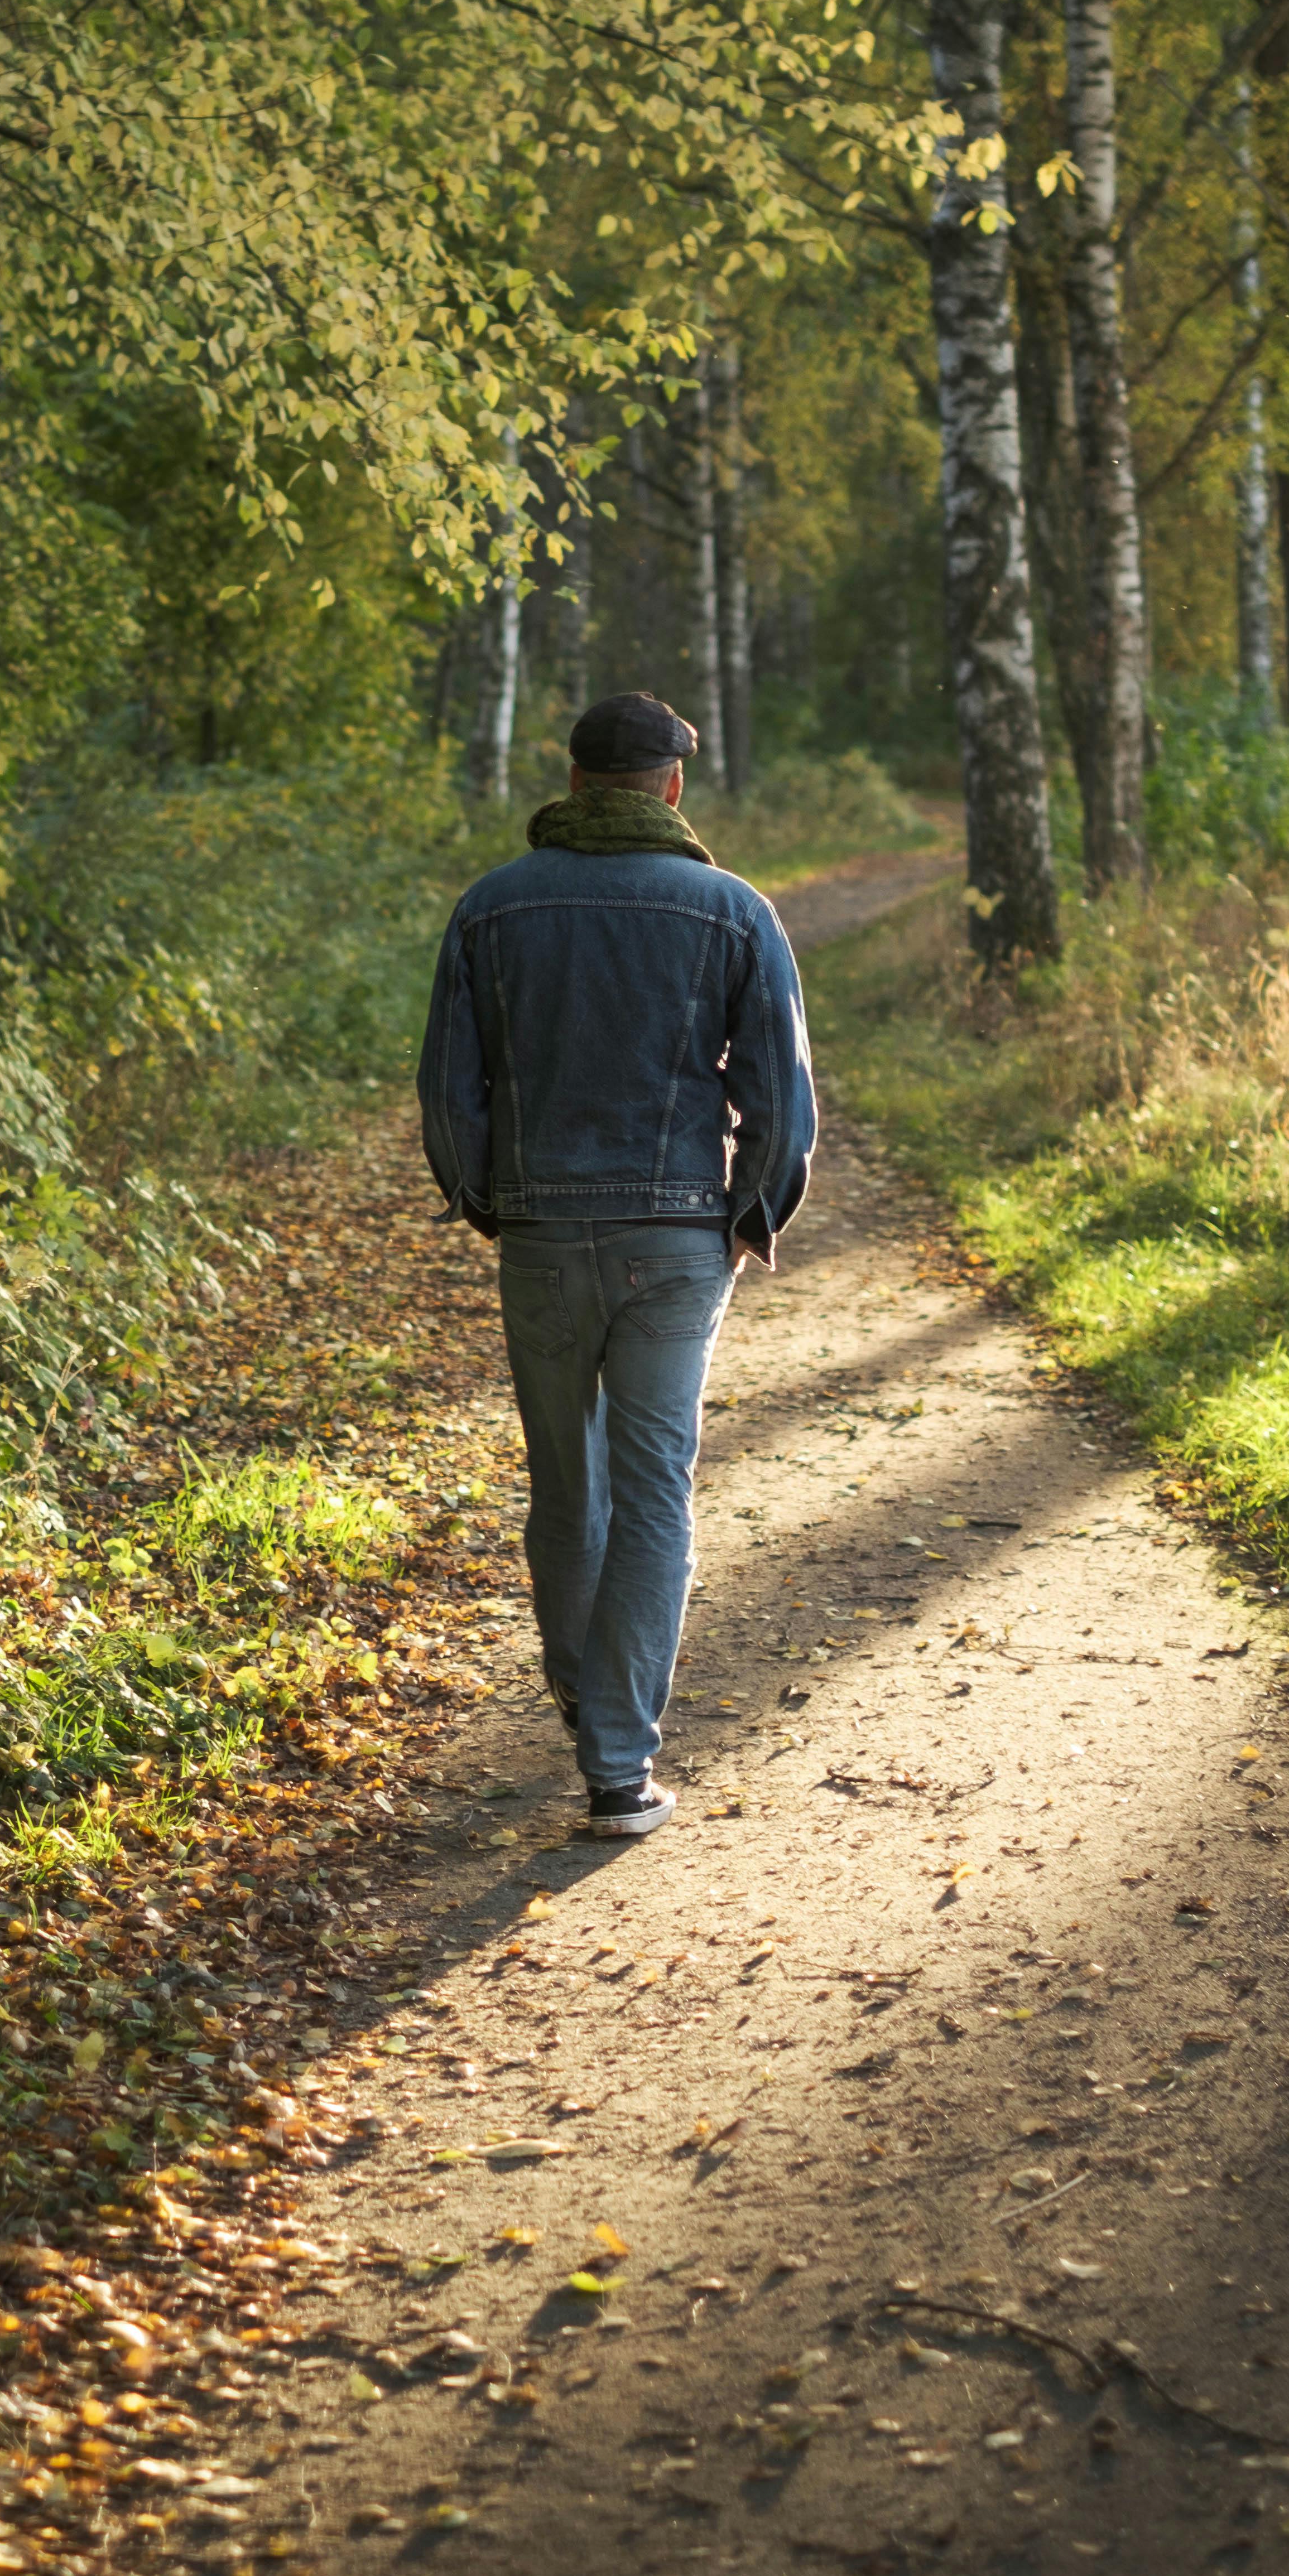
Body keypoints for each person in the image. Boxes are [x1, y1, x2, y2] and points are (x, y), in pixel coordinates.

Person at [417, 689, 819, 1840]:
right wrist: (749, 1216)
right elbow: (782, 1106)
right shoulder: (733, 911)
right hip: (675, 1240)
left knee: (566, 1487)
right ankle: (617, 1768)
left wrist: (491, 1204)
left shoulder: (490, 909)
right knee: (653, 1495)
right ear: (673, 787)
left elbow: (452, 1092)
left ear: (578, 779)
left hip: (542, 1234)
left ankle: (584, 1707)